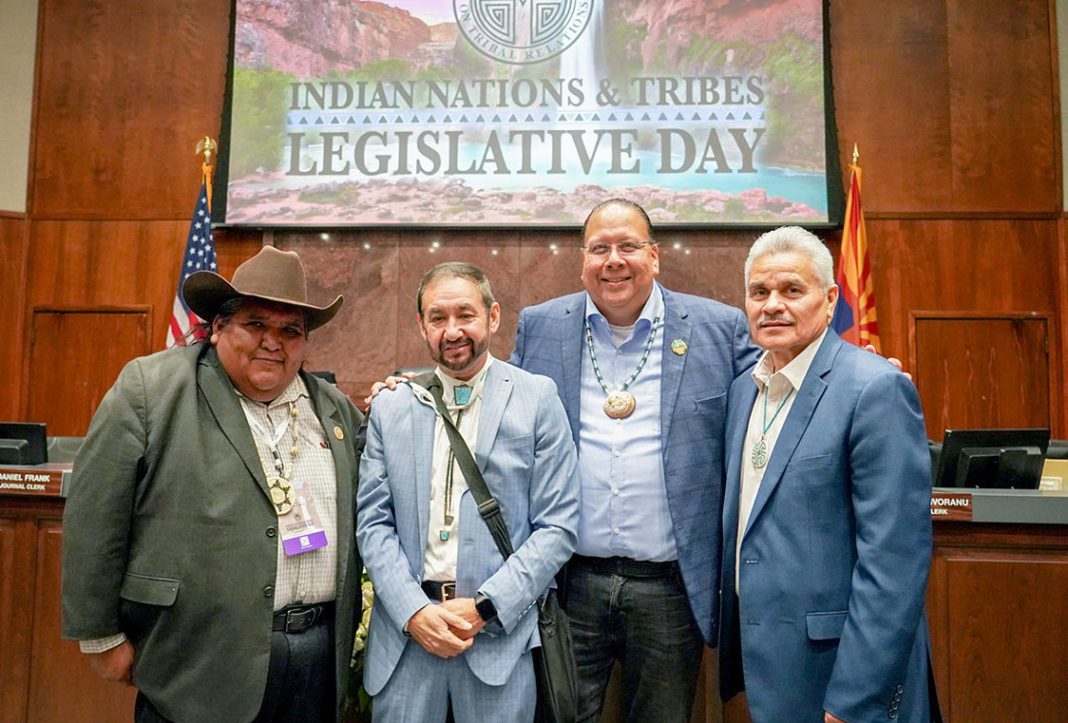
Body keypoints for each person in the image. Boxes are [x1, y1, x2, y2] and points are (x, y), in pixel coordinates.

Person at [61, 246, 365, 723]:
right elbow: (95, 516)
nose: (273, 342)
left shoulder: (333, 408)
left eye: (290, 330)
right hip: (197, 660)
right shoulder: (153, 390)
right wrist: (100, 638)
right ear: (219, 326)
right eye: (256, 324)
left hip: (316, 660)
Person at [510, 199, 760, 721]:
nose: (613, 260)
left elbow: (781, 389)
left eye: (627, 246)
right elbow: (493, 402)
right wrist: (415, 390)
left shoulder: (719, 328)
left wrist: (852, 371)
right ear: (583, 260)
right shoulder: (541, 327)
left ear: (655, 256)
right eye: (599, 248)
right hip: (569, 582)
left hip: (670, 588)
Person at [718, 226, 936, 722]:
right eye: (759, 292)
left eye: (792, 290)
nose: (772, 305)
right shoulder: (743, 392)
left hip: (841, 675)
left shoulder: (874, 389)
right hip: (768, 666)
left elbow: (894, 565)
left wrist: (854, 700)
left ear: (830, 298)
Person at [356, 262, 580, 723]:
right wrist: (414, 611)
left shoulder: (537, 398)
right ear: (421, 325)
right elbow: (374, 524)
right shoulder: (392, 407)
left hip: (497, 640)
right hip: (406, 644)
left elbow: (558, 526)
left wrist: (486, 607)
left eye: (466, 315)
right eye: (438, 318)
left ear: (493, 317)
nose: (452, 330)